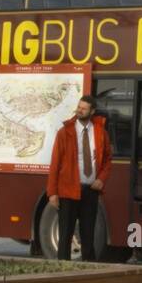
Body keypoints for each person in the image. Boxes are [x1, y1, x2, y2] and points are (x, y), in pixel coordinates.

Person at [47, 95, 112, 261]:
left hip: (91, 191)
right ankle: (62, 268)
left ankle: (89, 269)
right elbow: (55, 163)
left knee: (88, 234)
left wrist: (101, 179)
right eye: (79, 107)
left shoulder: (100, 132)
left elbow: (107, 161)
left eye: (84, 108)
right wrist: (52, 193)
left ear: (92, 111)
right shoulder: (65, 132)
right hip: (68, 191)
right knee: (65, 235)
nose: (79, 110)